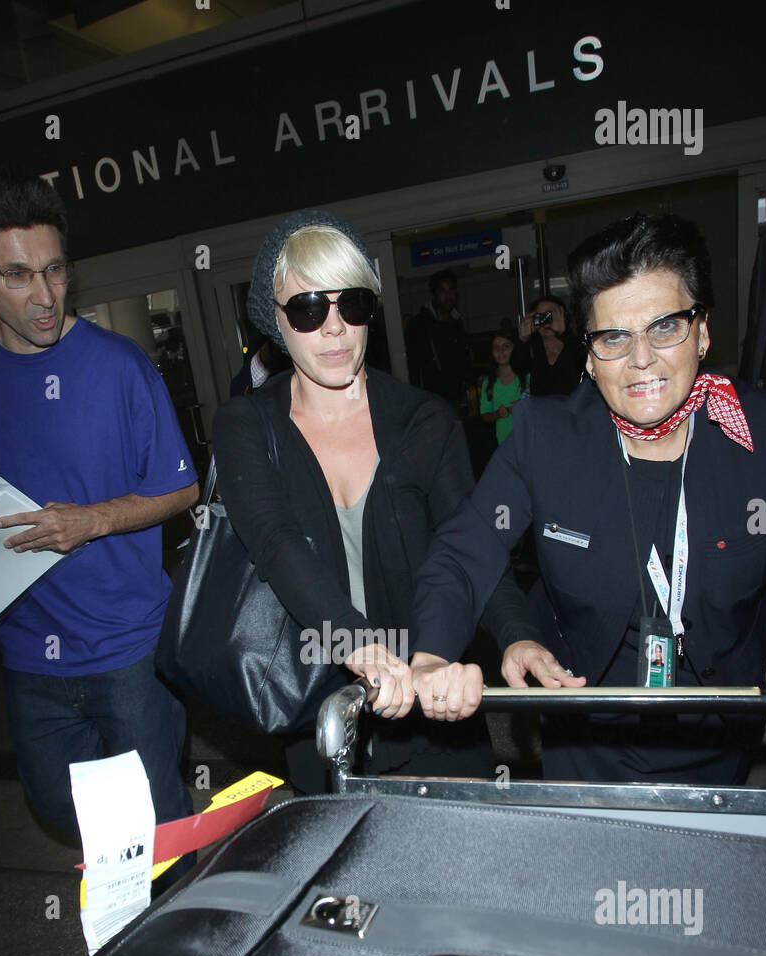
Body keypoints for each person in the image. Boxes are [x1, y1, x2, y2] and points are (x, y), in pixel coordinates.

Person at [408, 212, 766, 785]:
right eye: (613, 337)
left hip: (718, 734)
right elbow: (466, 548)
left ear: (702, 330)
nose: (641, 359)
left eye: (665, 327)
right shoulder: (546, 436)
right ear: (588, 355)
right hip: (585, 730)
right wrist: (432, 655)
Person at [0, 171, 199, 853]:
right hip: (28, 650)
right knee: (52, 797)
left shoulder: (118, 366)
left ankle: (171, 909)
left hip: (127, 643)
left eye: (54, 271)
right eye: (17, 275)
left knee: (156, 818)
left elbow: (182, 489)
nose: (44, 297)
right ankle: (126, 870)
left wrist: (92, 520)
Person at [210, 208, 498, 792]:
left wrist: (510, 637)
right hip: (317, 703)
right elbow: (274, 541)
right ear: (277, 323)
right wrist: (358, 644)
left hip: (430, 693)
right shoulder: (246, 425)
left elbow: (470, 548)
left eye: (353, 304)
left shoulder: (425, 419)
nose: (335, 327)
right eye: (310, 309)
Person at [404, 268, 471, 408]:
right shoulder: (419, 325)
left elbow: (462, 360)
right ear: (434, 294)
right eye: (443, 291)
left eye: (451, 290)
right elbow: (414, 367)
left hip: (456, 398)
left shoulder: (456, 322)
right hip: (432, 400)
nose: (448, 296)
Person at [512, 294, 586, 397]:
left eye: (549, 315)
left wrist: (564, 334)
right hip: (541, 409)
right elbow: (518, 367)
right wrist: (522, 339)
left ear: (562, 315)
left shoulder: (574, 343)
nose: (545, 321)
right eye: (540, 316)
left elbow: (584, 362)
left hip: (574, 408)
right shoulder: (533, 347)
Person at [480, 328, 528, 445]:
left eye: (506, 346)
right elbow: (485, 415)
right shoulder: (488, 382)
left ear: (514, 348)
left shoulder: (526, 377)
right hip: (504, 444)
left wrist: (523, 405)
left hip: (528, 440)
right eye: (496, 347)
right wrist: (498, 414)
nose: (501, 350)